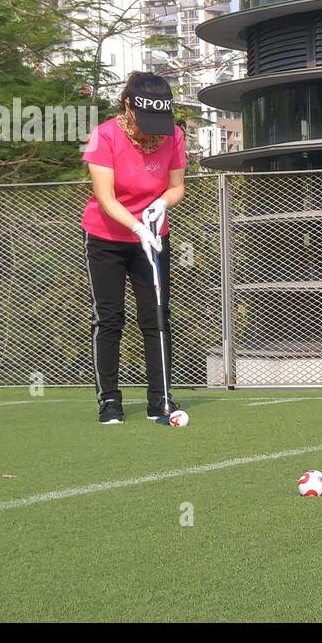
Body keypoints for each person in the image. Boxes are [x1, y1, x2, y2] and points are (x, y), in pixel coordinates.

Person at [80, 72, 187, 424]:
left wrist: (161, 206)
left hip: (153, 238)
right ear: (128, 105)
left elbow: (176, 187)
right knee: (109, 317)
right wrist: (135, 225)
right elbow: (105, 197)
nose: (151, 131)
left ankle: (161, 401)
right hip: (106, 238)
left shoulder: (173, 136)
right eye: (145, 122)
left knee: (156, 317)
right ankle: (109, 402)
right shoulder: (104, 136)